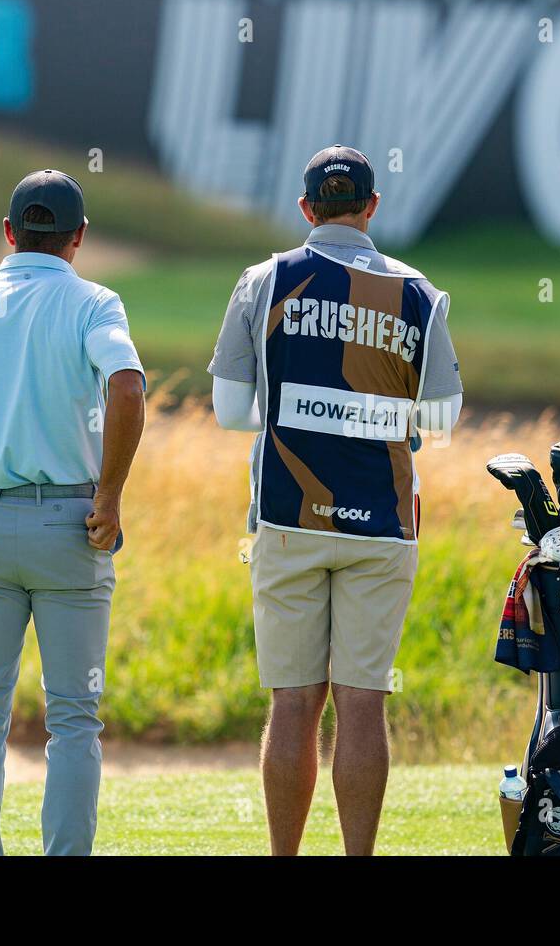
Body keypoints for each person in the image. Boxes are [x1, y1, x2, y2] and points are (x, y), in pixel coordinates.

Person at [209, 145, 463, 855]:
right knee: (362, 703)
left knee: (293, 703)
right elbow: (441, 418)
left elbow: (232, 411)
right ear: (373, 207)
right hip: (383, 523)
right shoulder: (418, 291)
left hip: (287, 517)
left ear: (305, 209)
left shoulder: (265, 280)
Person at [0, 170, 147, 855]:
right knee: (74, 718)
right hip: (72, 526)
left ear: (9, 233)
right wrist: (110, 494)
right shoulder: (96, 302)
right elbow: (126, 389)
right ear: (79, 239)